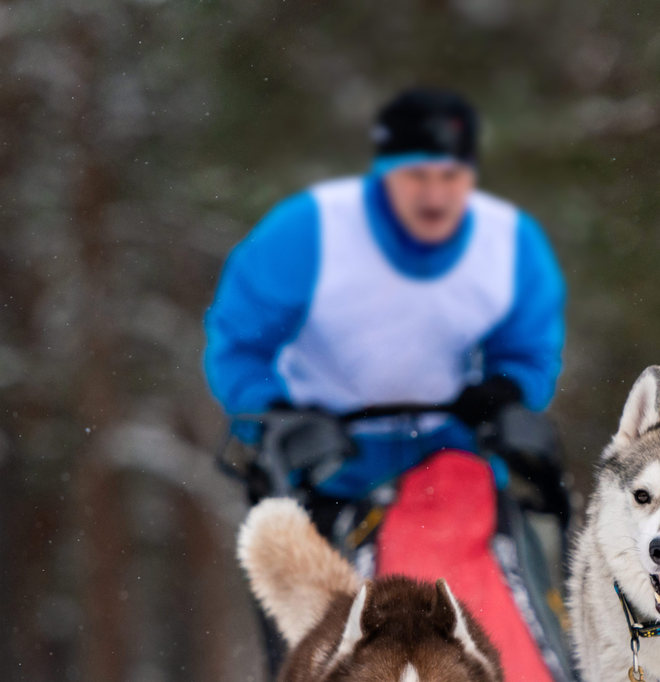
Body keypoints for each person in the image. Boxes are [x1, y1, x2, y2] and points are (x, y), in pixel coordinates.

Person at [203, 86, 566, 511]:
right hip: (323, 462)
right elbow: (238, 346)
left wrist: (505, 393)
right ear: (384, 172)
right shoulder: (305, 231)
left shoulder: (512, 245)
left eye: (450, 176)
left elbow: (529, 352)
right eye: (416, 175)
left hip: (453, 460)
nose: (435, 197)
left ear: (471, 176)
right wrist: (274, 415)